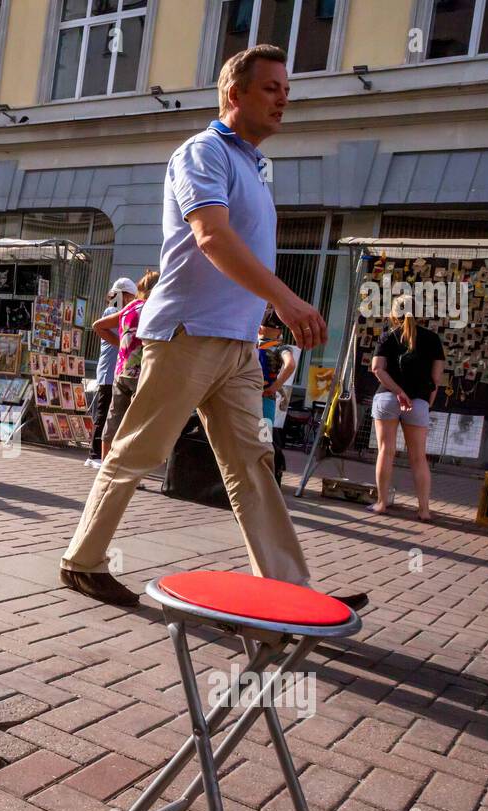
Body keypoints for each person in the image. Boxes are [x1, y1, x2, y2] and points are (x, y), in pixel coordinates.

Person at [59, 45, 366, 612]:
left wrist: (267, 311)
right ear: (234, 93)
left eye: (287, 91)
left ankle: (290, 592)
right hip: (187, 332)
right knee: (137, 452)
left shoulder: (252, 167)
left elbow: (235, 256)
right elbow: (212, 238)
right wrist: (288, 302)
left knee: (253, 466)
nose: (283, 100)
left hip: (237, 343)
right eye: (271, 88)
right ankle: (82, 562)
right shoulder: (203, 153)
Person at [369, 294, 445, 521]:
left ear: (394, 313)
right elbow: (436, 378)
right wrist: (426, 403)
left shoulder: (387, 337)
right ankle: (423, 510)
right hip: (418, 401)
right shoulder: (433, 339)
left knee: (386, 450)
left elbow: (377, 369)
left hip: (387, 398)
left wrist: (398, 391)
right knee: (419, 457)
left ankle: (382, 503)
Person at [97, 269, 160, 450]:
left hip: (120, 369)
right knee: (136, 424)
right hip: (141, 372)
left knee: (112, 420)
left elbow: (98, 326)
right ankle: (128, 471)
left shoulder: (128, 309)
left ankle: (104, 465)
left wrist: (122, 345)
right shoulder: (153, 309)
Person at [86, 278, 139, 467]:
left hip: (114, 370)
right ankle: (95, 455)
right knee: (104, 414)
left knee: (108, 413)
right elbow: (124, 336)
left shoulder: (119, 311)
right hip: (109, 371)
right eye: (131, 296)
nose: (133, 299)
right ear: (122, 295)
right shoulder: (113, 311)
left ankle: (97, 454)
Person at [258, 306, 299, 482]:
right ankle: (265, 476)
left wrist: (276, 387)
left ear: (260, 328)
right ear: (280, 330)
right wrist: (276, 387)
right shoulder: (280, 348)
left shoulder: (252, 343)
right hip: (266, 399)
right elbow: (289, 365)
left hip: (247, 396)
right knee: (264, 439)